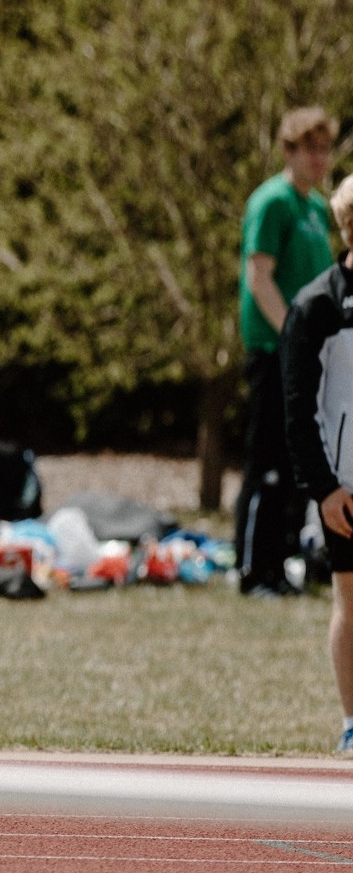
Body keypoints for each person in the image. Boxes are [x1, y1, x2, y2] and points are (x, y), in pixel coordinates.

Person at [236, 106, 338, 597]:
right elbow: (260, 278)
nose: (320, 159)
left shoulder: (318, 209)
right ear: (288, 151)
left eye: (325, 148)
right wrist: (293, 339)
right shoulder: (271, 202)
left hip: (313, 355)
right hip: (275, 349)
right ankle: (255, 568)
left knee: (303, 464)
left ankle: (284, 564)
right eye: (310, 149)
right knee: (269, 461)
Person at [282, 174, 353, 754]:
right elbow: (298, 410)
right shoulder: (317, 306)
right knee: (350, 597)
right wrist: (325, 489)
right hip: (346, 485)